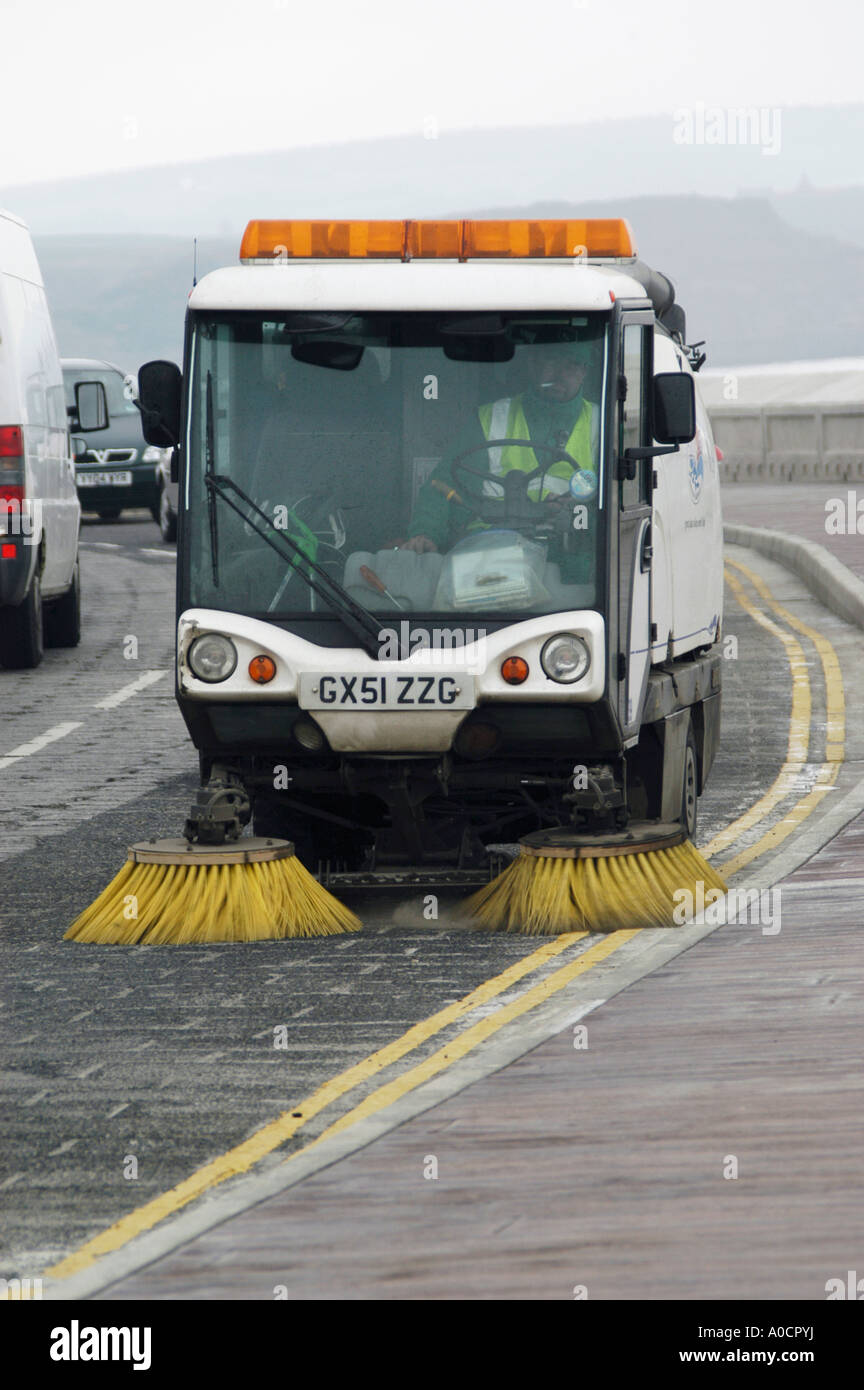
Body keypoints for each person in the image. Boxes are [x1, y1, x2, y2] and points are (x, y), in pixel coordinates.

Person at [402, 338, 598, 555]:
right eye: (551, 361)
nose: (560, 373)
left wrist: (574, 512)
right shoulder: (490, 417)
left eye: (571, 364)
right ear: (532, 365)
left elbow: (615, 503)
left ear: (584, 372)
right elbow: (442, 484)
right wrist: (425, 534)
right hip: (487, 547)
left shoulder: (601, 424)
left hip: (567, 552)